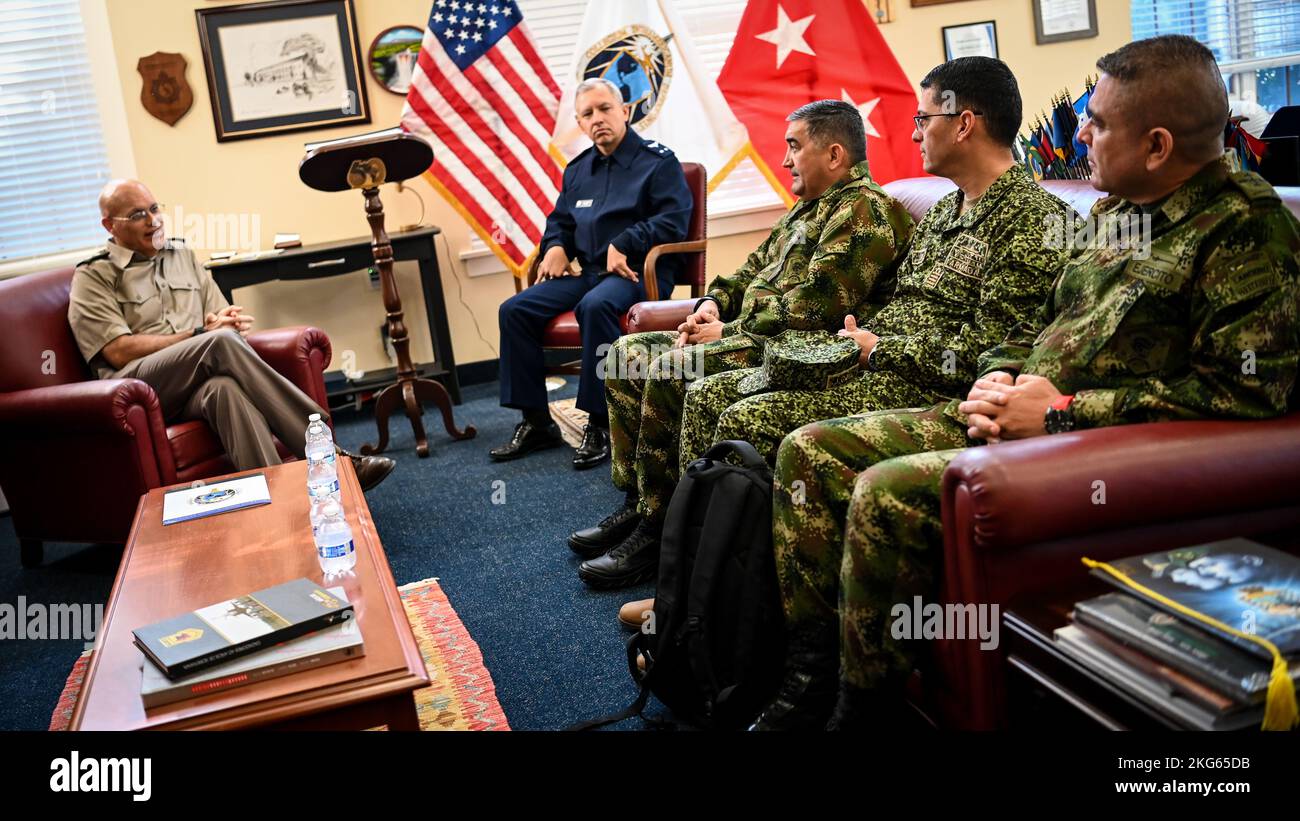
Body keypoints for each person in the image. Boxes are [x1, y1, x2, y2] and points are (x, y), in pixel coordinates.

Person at [755, 35, 1300, 730]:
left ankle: (864, 712)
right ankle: (811, 673)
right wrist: (999, 376)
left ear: (1158, 145)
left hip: (1087, 447)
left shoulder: (1245, 232)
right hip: (1014, 412)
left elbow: (1245, 395)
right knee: (811, 448)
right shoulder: (1116, 211)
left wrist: (1062, 414)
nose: (1081, 132)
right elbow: (1038, 324)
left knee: (883, 492)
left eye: (1098, 122)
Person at [616, 56, 1071, 620]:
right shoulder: (944, 212)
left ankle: (721, 611)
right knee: (707, 390)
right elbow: (893, 304)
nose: (913, 132)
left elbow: (988, 358)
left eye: (923, 118)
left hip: (924, 388)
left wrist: (879, 348)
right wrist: (861, 340)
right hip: (871, 361)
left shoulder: (1033, 219)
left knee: (736, 413)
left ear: (964, 123)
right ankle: (694, 592)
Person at [571, 99, 915, 589]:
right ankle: (642, 504)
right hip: (753, 332)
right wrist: (710, 304)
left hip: (798, 347)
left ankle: (660, 530)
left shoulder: (865, 212)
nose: (785, 160)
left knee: (670, 369)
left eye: (794, 147)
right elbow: (750, 271)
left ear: (835, 155)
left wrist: (726, 332)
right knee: (628, 355)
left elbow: (816, 309)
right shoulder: (806, 211)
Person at [68, 179, 395, 490]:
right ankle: (331, 457)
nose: (153, 220)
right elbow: (118, 351)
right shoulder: (94, 274)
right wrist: (200, 333)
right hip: (140, 389)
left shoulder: (181, 255)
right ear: (110, 226)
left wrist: (223, 325)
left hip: (196, 382)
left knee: (224, 390)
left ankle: (282, 501)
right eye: (138, 215)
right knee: (219, 343)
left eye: (155, 209)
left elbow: (221, 320)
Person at [493, 77, 693, 470]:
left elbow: (674, 222)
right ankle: (535, 422)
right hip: (589, 273)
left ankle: (600, 423)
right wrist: (554, 246)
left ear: (624, 111)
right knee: (514, 309)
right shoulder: (578, 170)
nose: (598, 118)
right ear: (580, 124)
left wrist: (627, 240)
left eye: (604, 108)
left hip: (637, 275)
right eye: (588, 114)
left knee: (595, 307)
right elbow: (561, 221)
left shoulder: (658, 162)